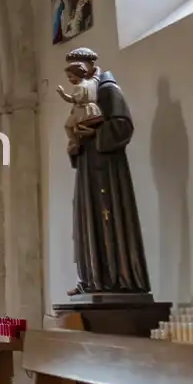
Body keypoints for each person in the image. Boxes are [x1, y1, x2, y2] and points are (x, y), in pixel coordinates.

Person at [64, 47, 151, 295]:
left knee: (108, 218)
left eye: (78, 68)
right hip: (87, 164)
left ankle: (116, 278)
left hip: (107, 169)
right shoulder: (86, 92)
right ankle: (92, 278)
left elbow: (122, 126)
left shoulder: (107, 89)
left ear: (91, 65)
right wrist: (76, 142)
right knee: (86, 219)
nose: (74, 76)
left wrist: (95, 133)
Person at [57, 61, 103, 154]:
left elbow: (73, 100)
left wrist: (62, 94)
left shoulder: (79, 87)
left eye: (70, 76)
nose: (69, 79)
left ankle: (75, 144)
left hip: (83, 110)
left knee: (68, 126)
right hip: (94, 110)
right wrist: (96, 68)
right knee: (78, 127)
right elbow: (96, 77)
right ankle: (88, 131)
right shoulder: (92, 83)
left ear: (77, 74)